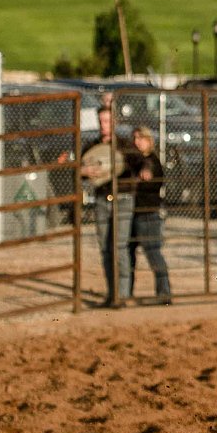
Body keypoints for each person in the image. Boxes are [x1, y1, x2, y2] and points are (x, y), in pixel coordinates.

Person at [80, 106, 132, 307]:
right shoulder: (92, 145)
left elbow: (133, 166)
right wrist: (85, 171)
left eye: (108, 121)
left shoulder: (124, 144)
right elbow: (80, 169)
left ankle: (123, 295)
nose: (104, 125)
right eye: (101, 121)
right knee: (105, 248)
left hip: (123, 198)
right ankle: (112, 294)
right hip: (103, 198)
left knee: (119, 247)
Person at [122, 126, 172, 304]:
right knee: (128, 254)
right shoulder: (134, 161)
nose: (137, 142)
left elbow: (152, 177)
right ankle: (125, 292)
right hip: (134, 214)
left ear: (149, 140)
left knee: (153, 253)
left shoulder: (152, 161)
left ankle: (164, 293)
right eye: (135, 138)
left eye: (141, 138)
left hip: (148, 215)